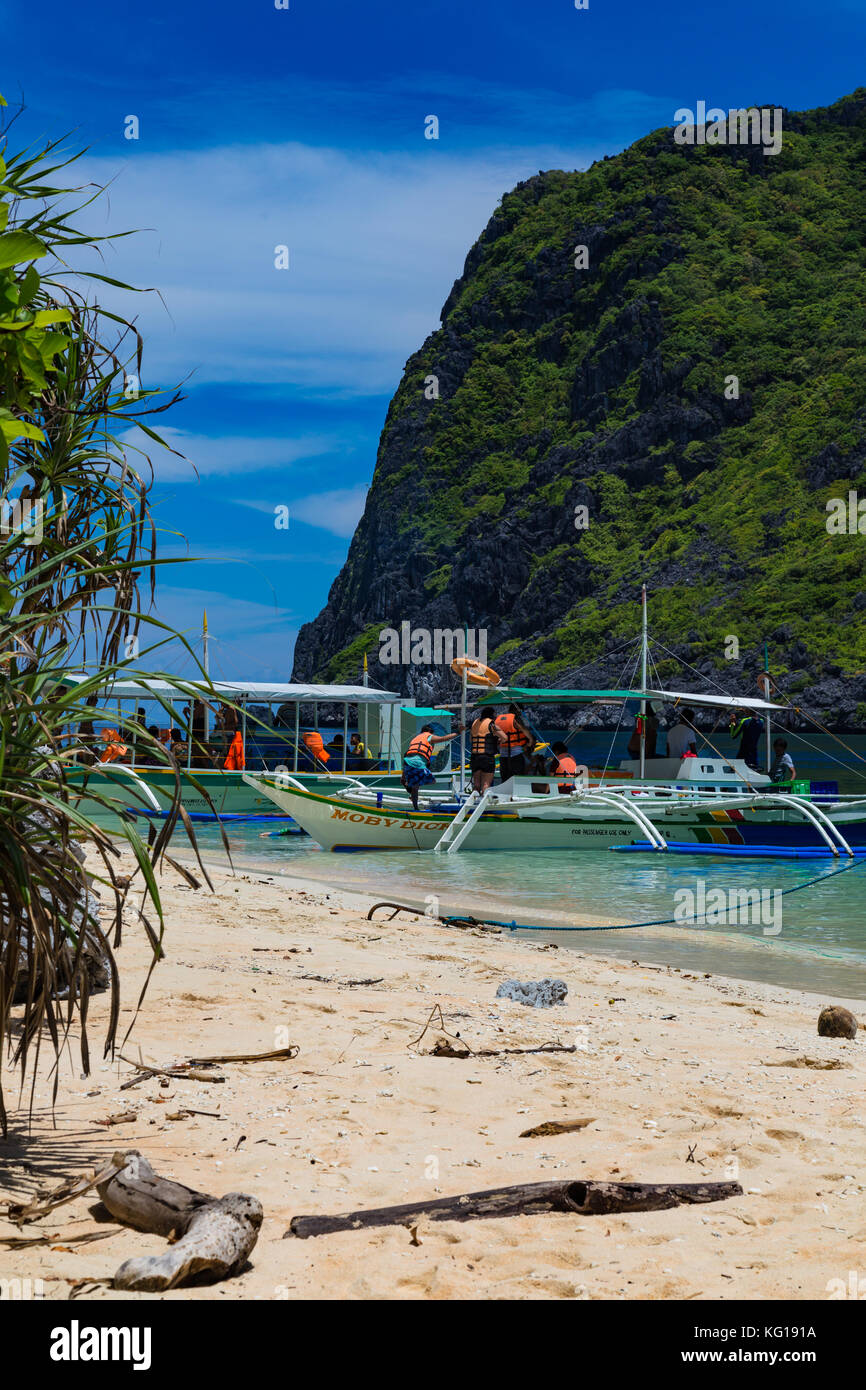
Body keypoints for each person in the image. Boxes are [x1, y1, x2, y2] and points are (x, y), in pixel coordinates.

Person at [401, 723, 460, 810]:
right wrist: (458, 732)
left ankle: (416, 808)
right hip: (418, 763)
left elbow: (409, 752)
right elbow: (443, 738)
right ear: (430, 732)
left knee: (414, 787)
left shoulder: (415, 738)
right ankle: (411, 786)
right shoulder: (429, 736)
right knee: (432, 780)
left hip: (407, 761)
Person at [469, 708, 507, 793]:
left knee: (476, 785)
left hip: (475, 757)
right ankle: (484, 803)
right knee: (486, 784)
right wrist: (497, 741)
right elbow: (504, 738)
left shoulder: (475, 723)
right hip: (487, 757)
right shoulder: (492, 725)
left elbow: (471, 740)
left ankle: (474, 802)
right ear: (492, 715)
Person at [494, 704, 535, 780]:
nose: (521, 713)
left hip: (503, 756)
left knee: (505, 779)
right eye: (521, 711)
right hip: (515, 755)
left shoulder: (498, 720)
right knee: (517, 779)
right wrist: (530, 741)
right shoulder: (515, 719)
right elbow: (524, 730)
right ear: (517, 710)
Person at [729, 708, 763, 772]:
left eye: (745, 709)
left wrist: (732, 723)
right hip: (754, 754)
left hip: (743, 753)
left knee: (733, 771)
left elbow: (733, 735)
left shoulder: (745, 721)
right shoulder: (761, 721)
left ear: (748, 710)